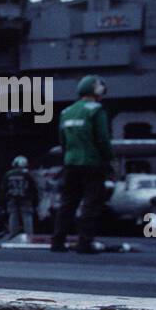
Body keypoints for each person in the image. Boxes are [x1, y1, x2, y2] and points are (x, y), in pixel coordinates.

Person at [51, 74, 115, 254]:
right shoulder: (96, 110)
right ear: (97, 90)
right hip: (92, 162)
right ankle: (84, 242)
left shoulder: (66, 112)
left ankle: (57, 241)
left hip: (71, 162)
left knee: (67, 203)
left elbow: (62, 140)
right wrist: (109, 159)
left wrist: (67, 158)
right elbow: (103, 139)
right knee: (91, 202)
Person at [3, 156, 38, 237]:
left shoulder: (8, 174)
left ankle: (13, 235)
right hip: (25, 198)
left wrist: (6, 197)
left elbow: (4, 187)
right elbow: (33, 187)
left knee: (13, 215)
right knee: (27, 216)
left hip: (11, 197)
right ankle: (29, 235)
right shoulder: (28, 174)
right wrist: (34, 198)